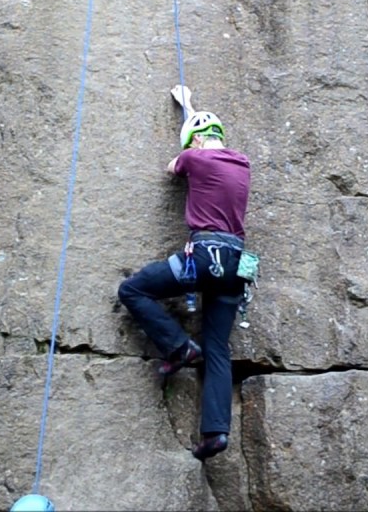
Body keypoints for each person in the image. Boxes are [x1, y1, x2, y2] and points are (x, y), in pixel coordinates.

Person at [118, 86, 251, 461]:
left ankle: (177, 345)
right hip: (236, 265)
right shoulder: (241, 163)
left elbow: (174, 167)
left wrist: (188, 134)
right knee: (218, 349)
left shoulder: (193, 159)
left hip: (204, 256)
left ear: (192, 141)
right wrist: (190, 108)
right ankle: (215, 434)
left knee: (133, 290)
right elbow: (209, 143)